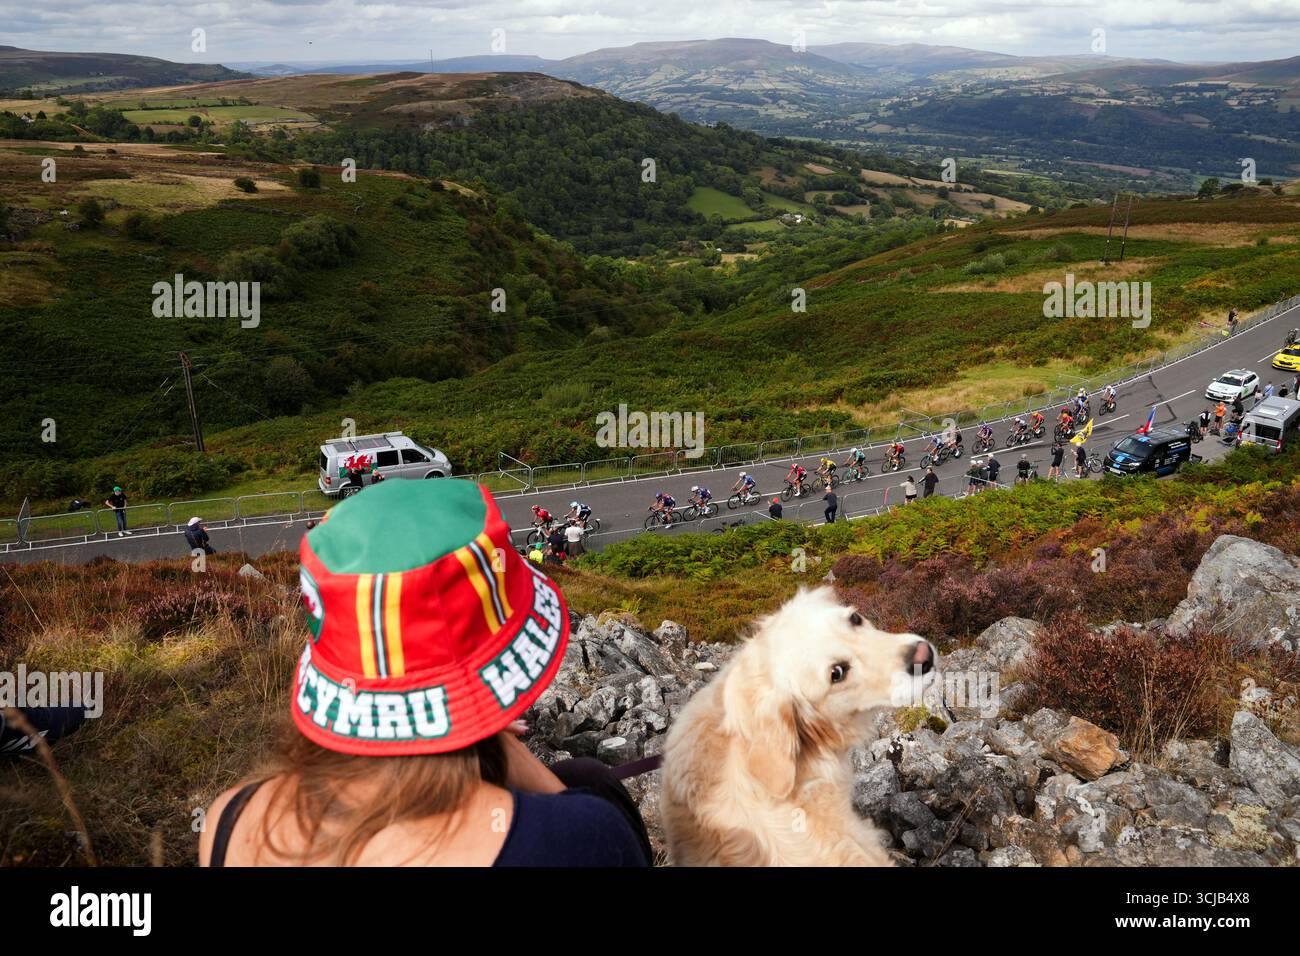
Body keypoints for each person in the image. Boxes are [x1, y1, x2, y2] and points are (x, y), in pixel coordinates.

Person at [199, 480, 651, 867]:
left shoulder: (229, 820)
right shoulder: (583, 836)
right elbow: (577, 825)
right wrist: (483, 726)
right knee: (589, 776)